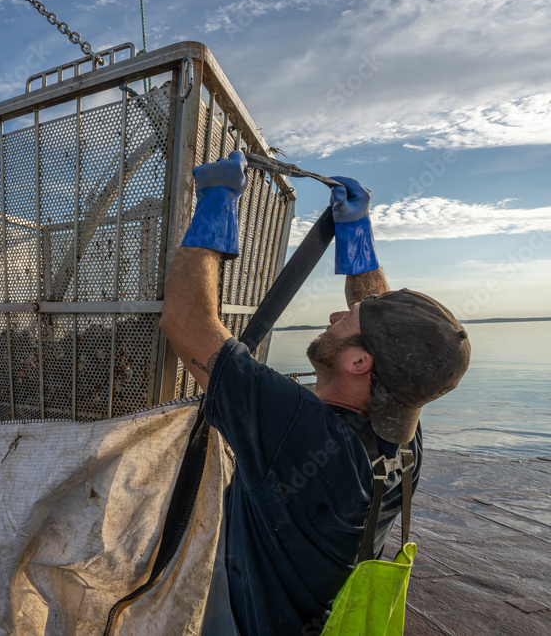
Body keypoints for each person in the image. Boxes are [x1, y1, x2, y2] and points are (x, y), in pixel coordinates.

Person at [160, 152, 470, 635]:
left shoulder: (299, 433)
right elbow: (381, 332)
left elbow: (186, 323)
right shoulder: (403, 434)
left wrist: (216, 204)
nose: (333, 317)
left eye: (346, 322)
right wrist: (356, 237)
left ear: (358, 363)